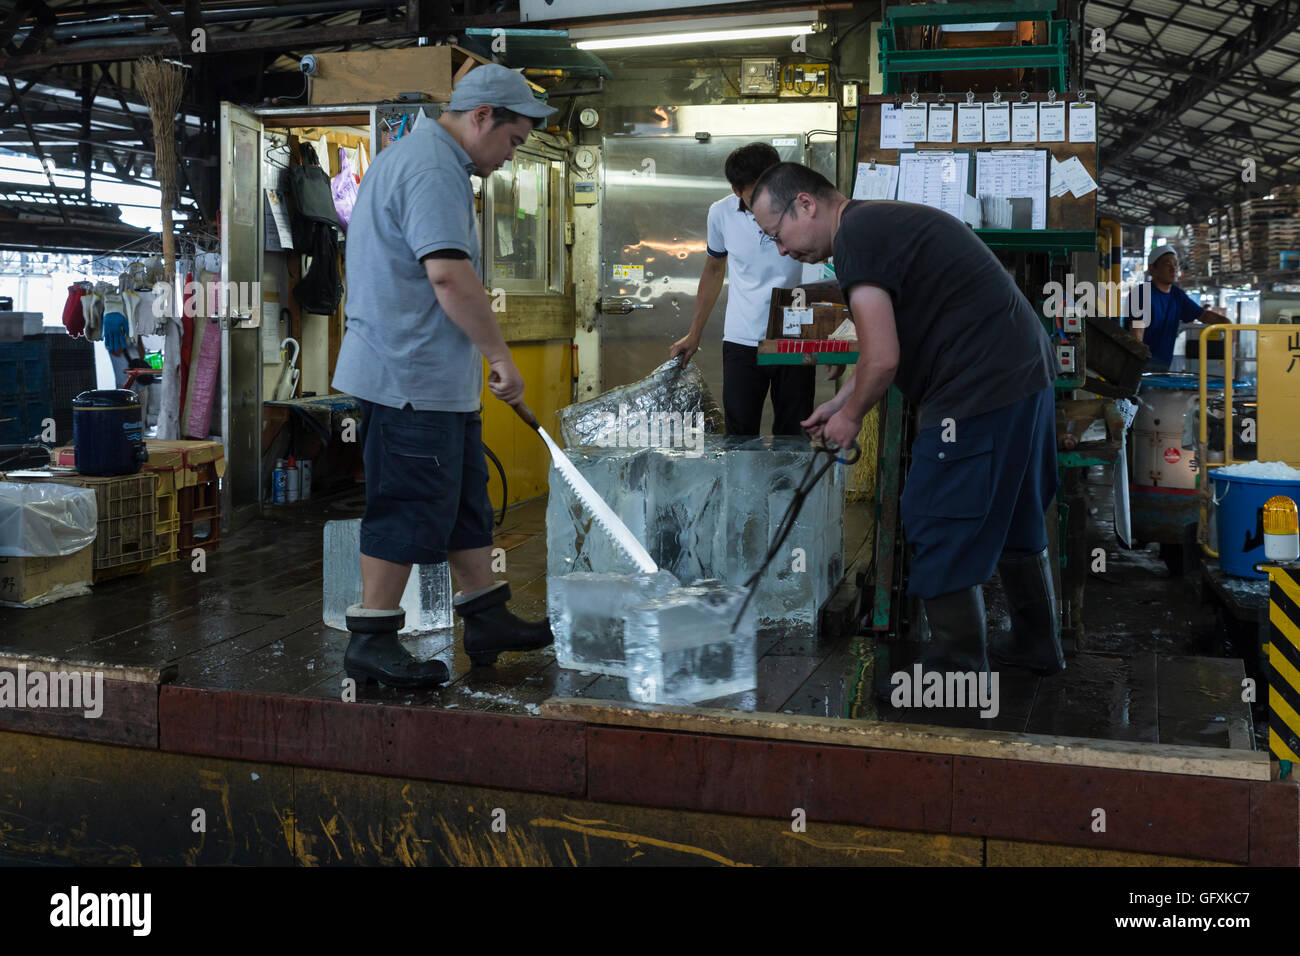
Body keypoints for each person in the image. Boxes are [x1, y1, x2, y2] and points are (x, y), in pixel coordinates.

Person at [748, 161, 1066, 683]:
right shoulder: (876, 224)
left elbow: (885, 358)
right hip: (1021, 373)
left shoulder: (857, 239)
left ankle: (956, 673)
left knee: (935, 513)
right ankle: (1035, 644)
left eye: (776, 235)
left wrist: (851, 416)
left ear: (805, 204)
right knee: (1013, 512)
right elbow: (884, 346)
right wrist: (844, 398)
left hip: (979, 382)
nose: (782, 250)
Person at [331, 65, 556, 688]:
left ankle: (485, 618)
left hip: (434, 379)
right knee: (406, 503)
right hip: (408, 376)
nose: (510, 158)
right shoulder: (432, 168)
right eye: (512, 141)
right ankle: (372, 639)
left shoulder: (434, 161)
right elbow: (448, 276)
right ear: (483, 115)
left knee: (463, 504)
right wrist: (500, 356)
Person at [669, 143, 822, 436]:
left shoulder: (805, 207)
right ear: (737, 191)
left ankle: (788, 484)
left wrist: (827, 342)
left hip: (794, 337)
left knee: (794, 433)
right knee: (739, 434)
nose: (768, 198)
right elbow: (714, 269)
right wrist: (694, 333)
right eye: (756, 193)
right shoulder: (721, 213)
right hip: (742, 339)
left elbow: (823, 268)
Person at [1128, 245, 1229, 372]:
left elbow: (1203, 315)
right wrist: (1136, 366)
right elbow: (1137, 331)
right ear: (1152, 269)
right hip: (1141, 365)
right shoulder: (1142, 293)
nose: (1174, 268)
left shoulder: (1177, 295)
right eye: (1167, 264)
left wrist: (1227, 324)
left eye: (1176, 264)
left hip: (1163, 365)